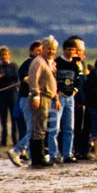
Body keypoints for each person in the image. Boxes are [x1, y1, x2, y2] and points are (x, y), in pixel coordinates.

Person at [7, 41, 41, 166]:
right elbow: (26, 78)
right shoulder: (28, 63)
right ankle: (17, 150)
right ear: (31, 51)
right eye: (37, 50)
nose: (39, 53)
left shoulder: (38, 63)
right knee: (32, 129)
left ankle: (32, 156)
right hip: (27, 99)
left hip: (31, 99)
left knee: (32, 128)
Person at [28, 36, 60, 168]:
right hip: (41, 98)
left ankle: (38, 156)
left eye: (53, 49)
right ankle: (38, 157)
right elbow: (33, 79)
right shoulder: (39, 62)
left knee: (42, 126)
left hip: (48, 97)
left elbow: (52, 81)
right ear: (43, 49)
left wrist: (56, 98)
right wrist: (36, 96)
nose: (51, 51)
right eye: (49, 49)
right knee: (39, 127)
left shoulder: (48, 62)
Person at [53, 37, 84, 162]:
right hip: (59, 97)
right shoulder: (57, 62)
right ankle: (54, 154)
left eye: (73, 50)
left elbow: (77, 80)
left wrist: (75, 90)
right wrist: (57, 92)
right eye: (69, 50)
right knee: (55, 128)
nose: (71, 52)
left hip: (71, 97)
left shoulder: (75, 65)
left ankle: (67, 154)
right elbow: (53, 78)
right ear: (64, 50)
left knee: (69, 128)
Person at [0, 46, 20, 148]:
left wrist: (2, 75)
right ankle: (3, 140)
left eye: (6, 55)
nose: (4, 57)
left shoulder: (13, 66)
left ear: (9, 55)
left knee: (14, 118)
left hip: (12, 93)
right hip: (2, 94)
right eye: (2, 55)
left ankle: (15, 140)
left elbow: (15, 76)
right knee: (3, 118)